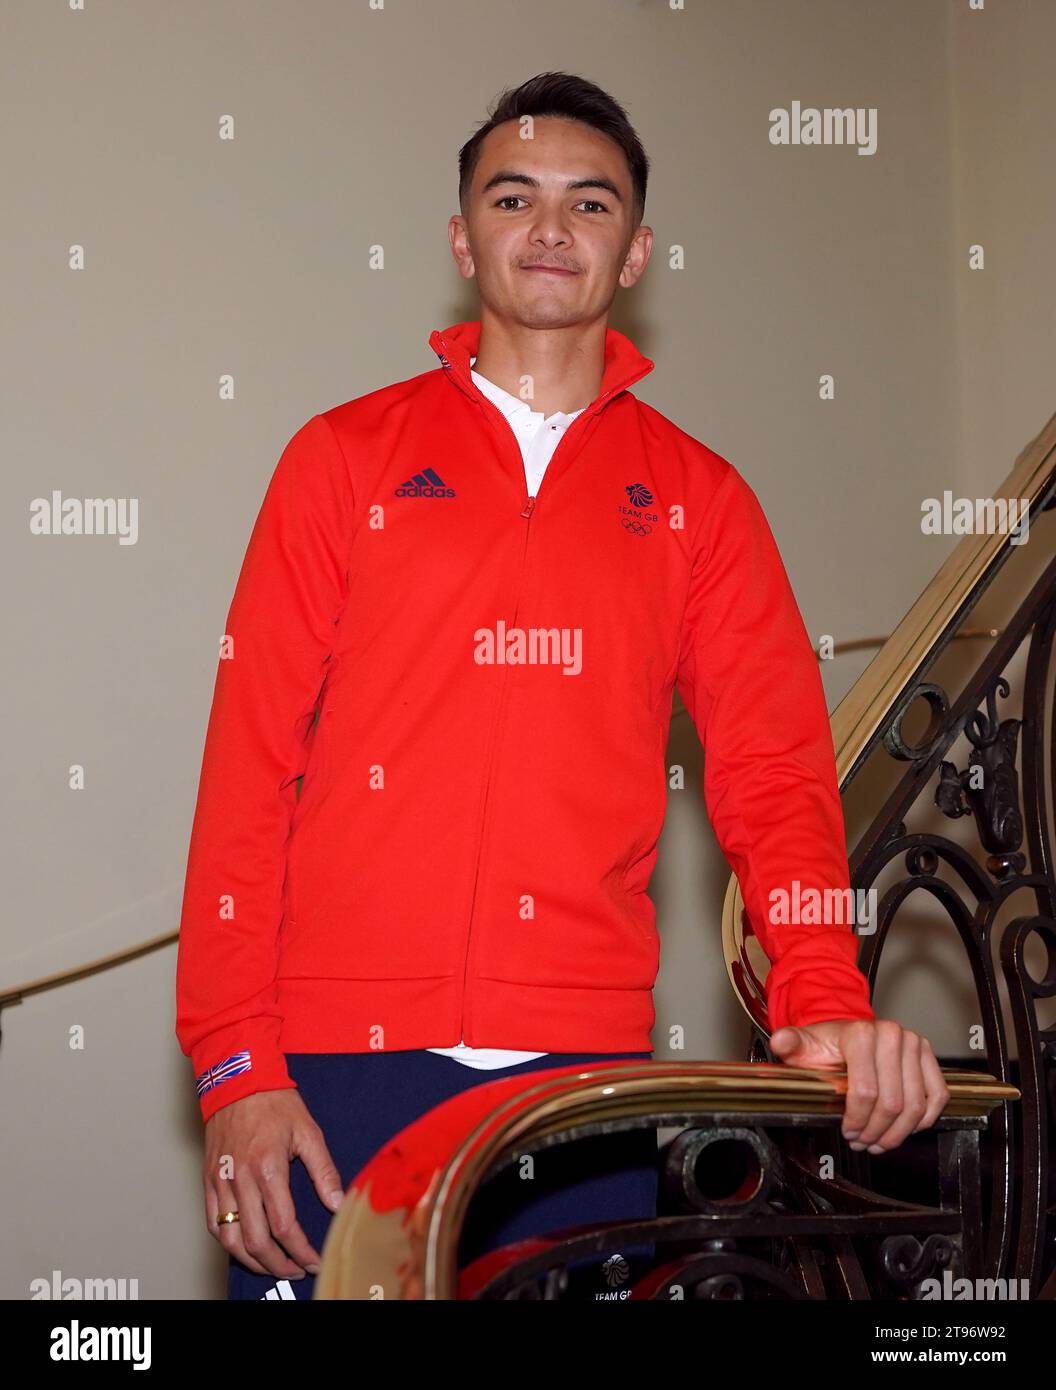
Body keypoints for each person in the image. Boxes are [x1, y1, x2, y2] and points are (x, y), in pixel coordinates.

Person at [175, 70, 949, 1302]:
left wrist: (821, 994)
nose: (549, 227)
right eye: (513, 195)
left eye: (590, 204)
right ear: (462, 235)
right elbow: (249, 767)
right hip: (334, 1066)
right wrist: (234, 1068)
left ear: (635, 251)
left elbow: (773, 772)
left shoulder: (702, 498)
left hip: (582, 1077)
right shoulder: (337, 461)